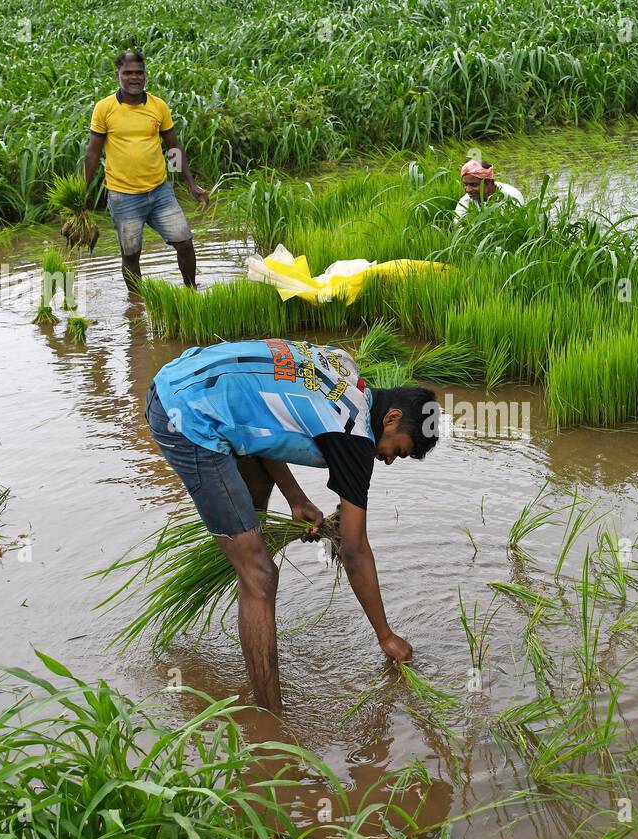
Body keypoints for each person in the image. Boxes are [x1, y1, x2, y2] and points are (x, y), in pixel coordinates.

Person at [144, 337, 439, 712]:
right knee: (260, 575)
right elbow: (353, 549)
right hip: (186, 414)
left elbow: (261, 419)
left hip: (185, 380)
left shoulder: (346, 374)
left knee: (252, 541)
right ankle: (271, 720)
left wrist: (295, 497)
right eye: (397, 450)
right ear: (392, 419)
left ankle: (246, 580)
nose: (390, 461)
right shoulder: (353, 435)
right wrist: (386, 636)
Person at [84, 50, 209, 293]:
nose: (134, 78)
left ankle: (192, 294)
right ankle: (136, 304)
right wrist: (81, 195)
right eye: (127, 73)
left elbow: (172, 146)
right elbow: (92, 153)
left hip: (160, 192)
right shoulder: (104, 109)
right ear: (117, 75)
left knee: (184, 242)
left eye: (139, 73)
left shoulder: (158, 106)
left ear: (145, 75)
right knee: (131, 255)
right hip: (123, 196)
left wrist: (190, 184)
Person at [455, 159, 525, 222]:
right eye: (465, 185)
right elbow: (458, 226)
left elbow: (518, 225)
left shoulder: (512, 197)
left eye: (473, 185)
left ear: (489, 182)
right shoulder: (465, 201)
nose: (468, 190)